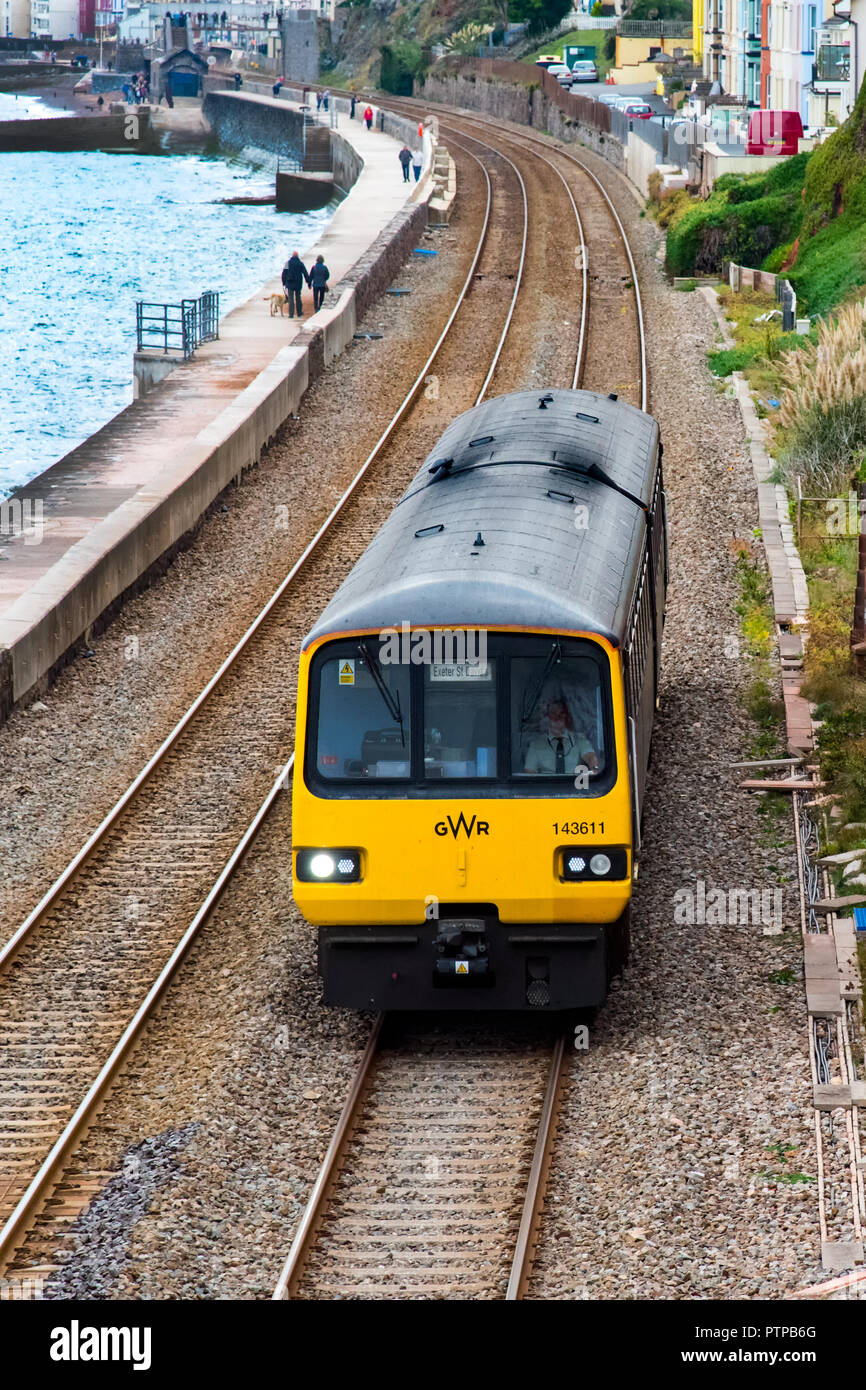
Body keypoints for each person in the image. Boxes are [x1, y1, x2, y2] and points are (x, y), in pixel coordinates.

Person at [523, 698, 598, 776]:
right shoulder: (536, 744)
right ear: (547, 717)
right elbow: (529, 773)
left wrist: (594, 768)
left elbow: (590, 757)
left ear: (566, 716)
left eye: (561, 713)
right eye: (553, 713)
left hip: (575, 785)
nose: (557, 718)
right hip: (546, 786)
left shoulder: (579, 739)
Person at [281, 250, 310, 318]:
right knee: (298, 298)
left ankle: (291, 314)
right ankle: (299, 313)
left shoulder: (288, 263)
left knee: (290, 299)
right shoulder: (300, 263)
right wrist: (308, 281)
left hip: (290, 283)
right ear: (297, 256)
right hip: (298, 283)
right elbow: (305, 273)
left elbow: (284, 273)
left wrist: (284, 282)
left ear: (292, 256)